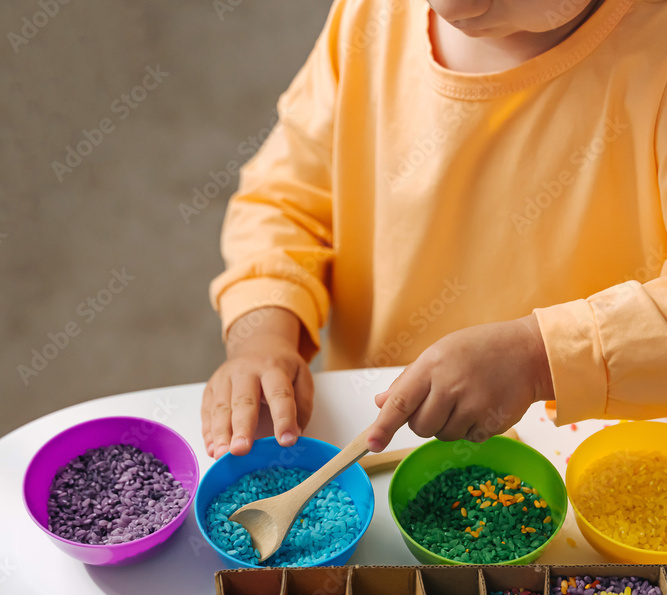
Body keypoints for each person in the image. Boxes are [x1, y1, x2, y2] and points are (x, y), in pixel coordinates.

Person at [201, 0, 667, 460]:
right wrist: (265, 332)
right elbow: (286, 200)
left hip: (595, 464)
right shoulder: (372, 16)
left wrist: (540, 358)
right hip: (373, 443)